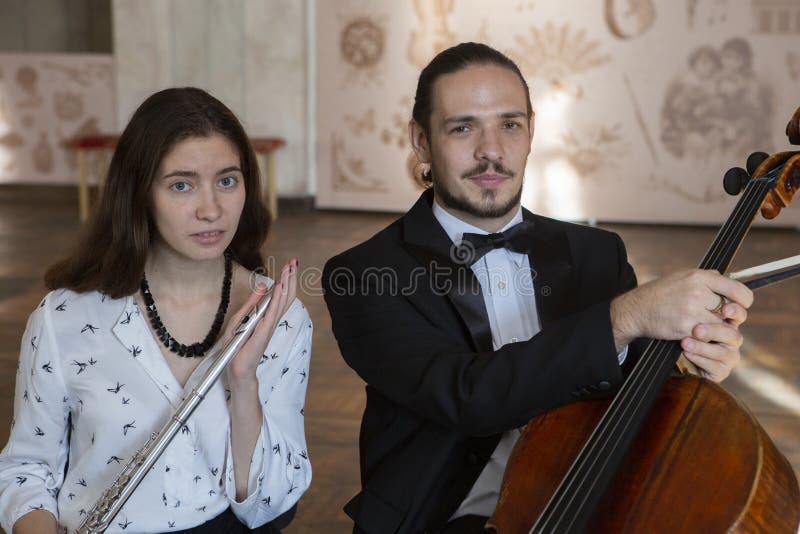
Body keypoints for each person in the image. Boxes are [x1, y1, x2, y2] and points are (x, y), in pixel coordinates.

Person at [322, 42, 752, 534]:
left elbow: (631, 396)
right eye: (463, 127)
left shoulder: (596, 253)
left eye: (510, 124)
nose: (491, 150)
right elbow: (469, 397)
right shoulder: (363, 274)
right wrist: (623, 318)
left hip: (584, 500)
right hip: (447, 517)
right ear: (421, 141)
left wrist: (686, 364)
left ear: (531, 131)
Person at [0, 88, 312, 533]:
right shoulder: (65, 317)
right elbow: (27, 471)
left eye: (227, 180)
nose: (211, 210)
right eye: (181, 185)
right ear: (140, 192)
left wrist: (243, 384)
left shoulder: (278, 316)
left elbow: (268, 507)